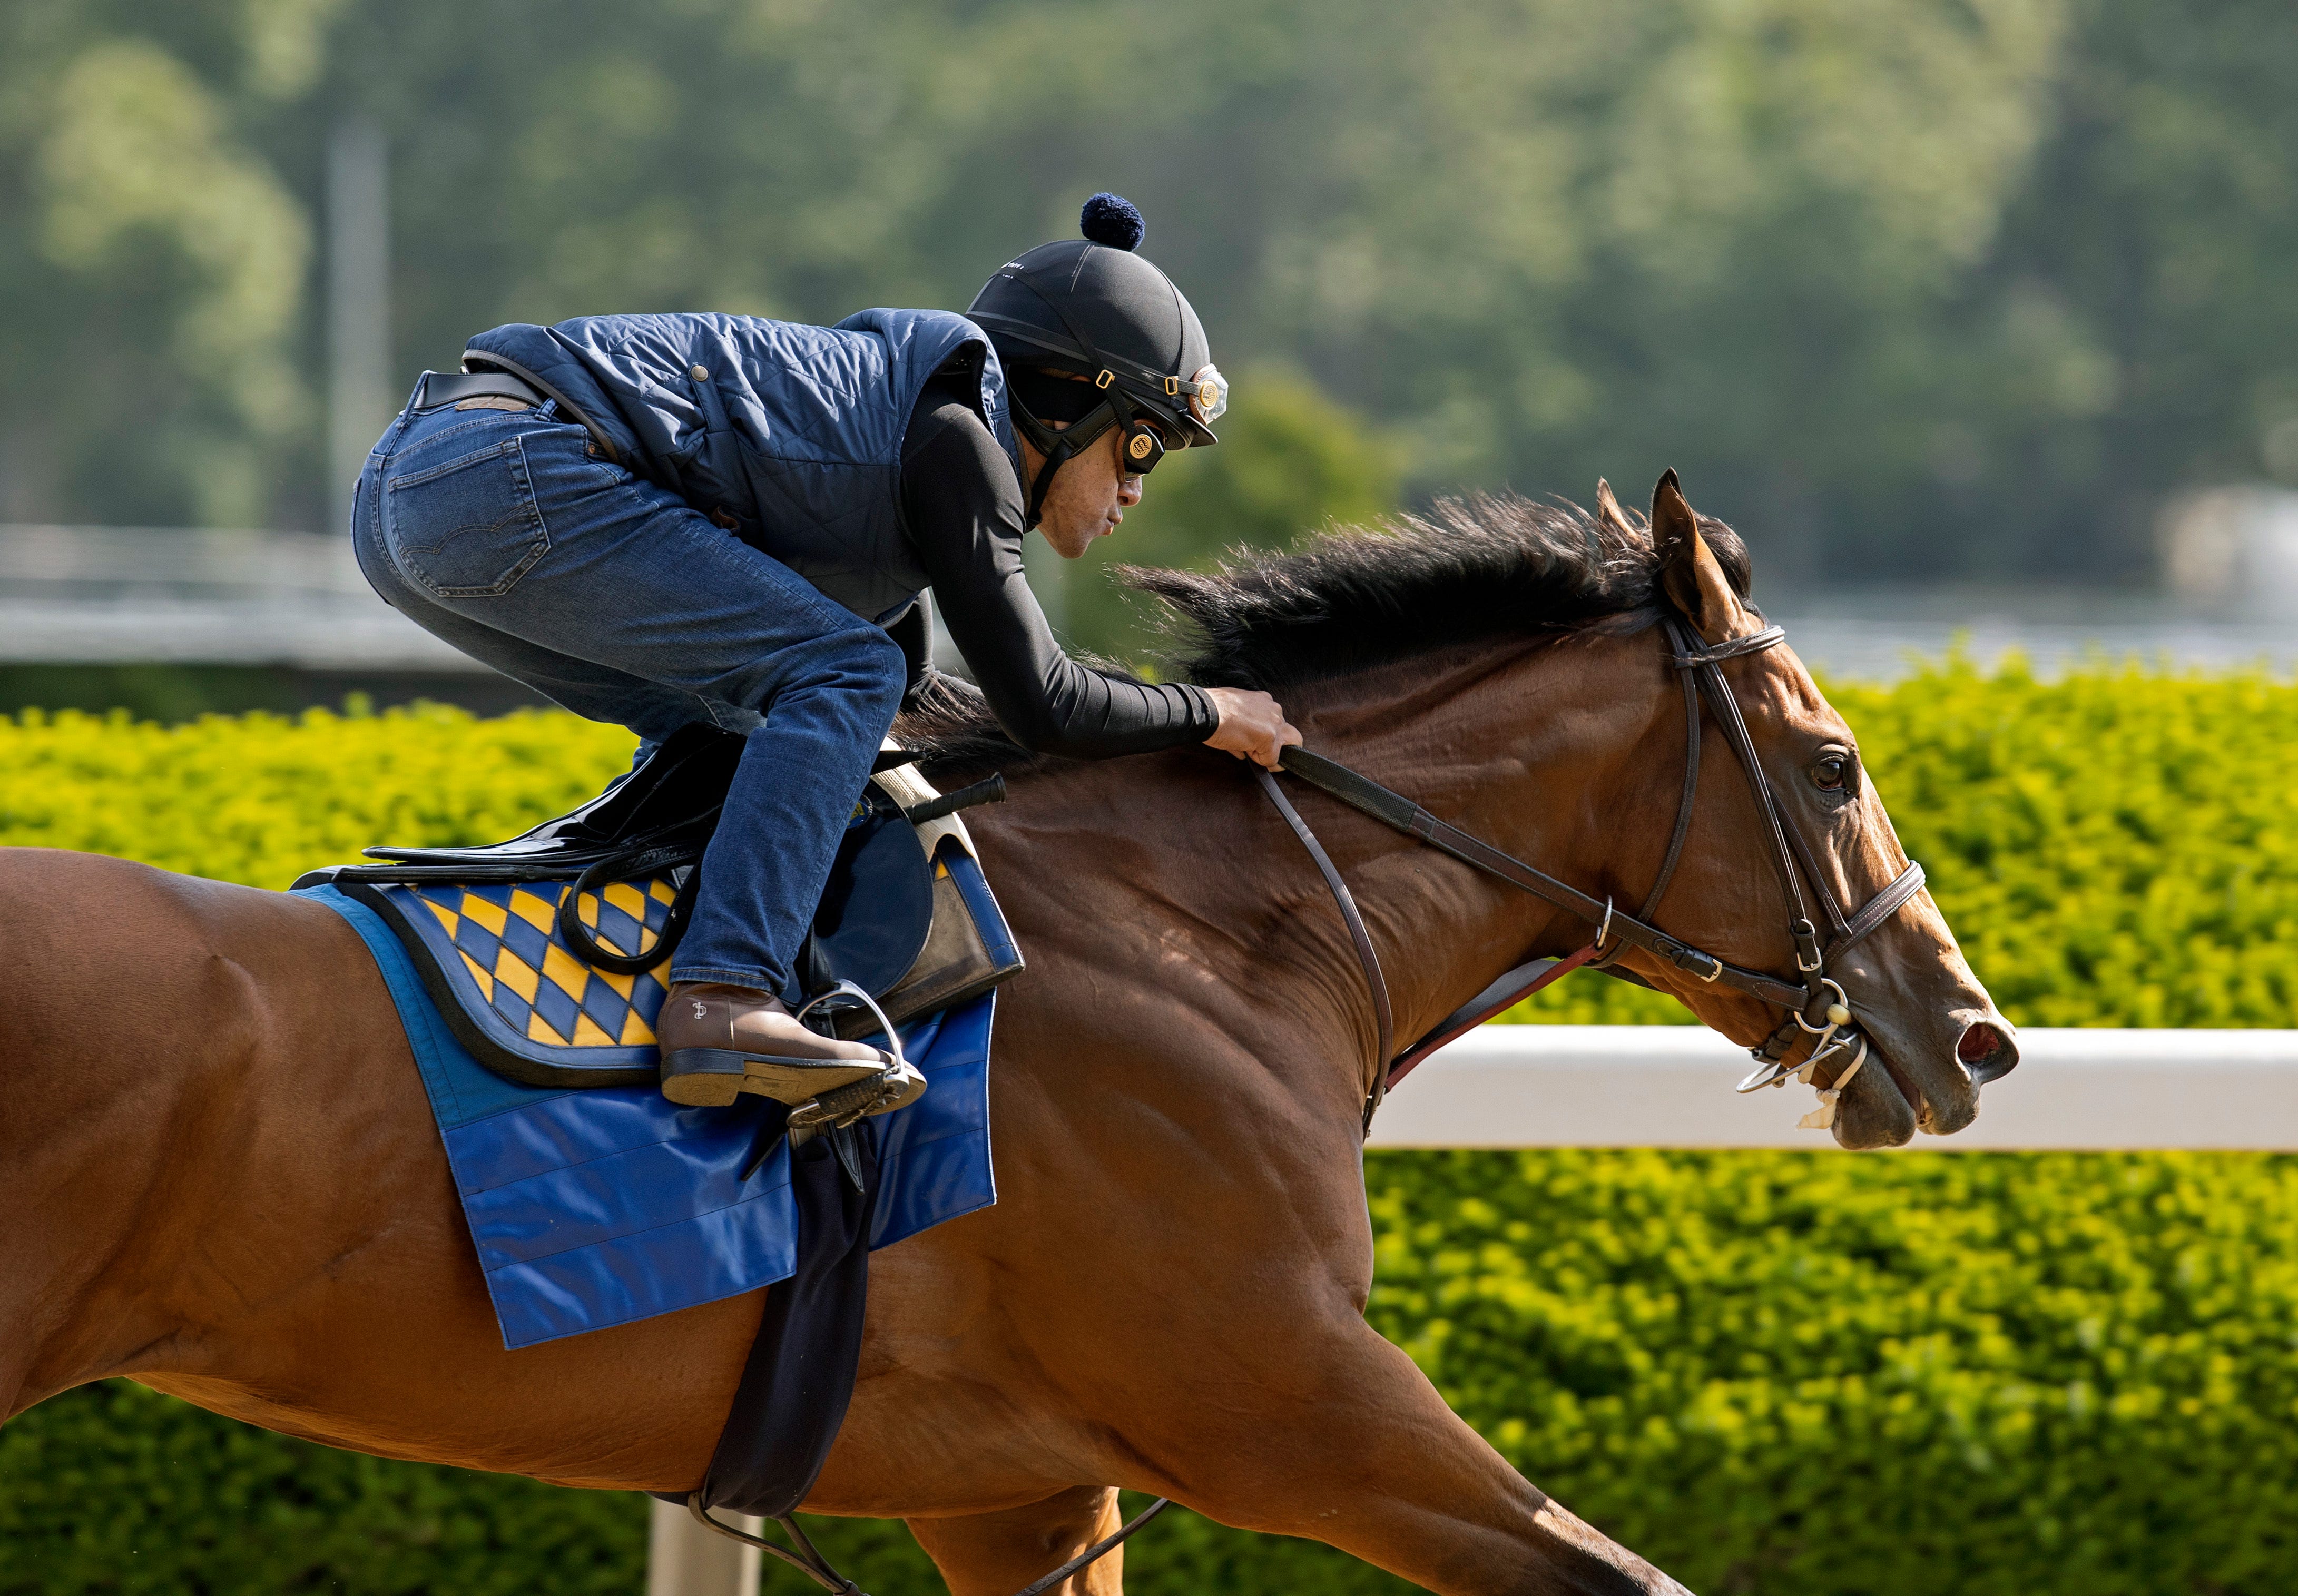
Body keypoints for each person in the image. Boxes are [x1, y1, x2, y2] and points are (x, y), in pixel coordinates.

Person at [351, 193, 1300, 1120]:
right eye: (1141, 450)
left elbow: (919, 708)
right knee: (846, 675)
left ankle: (642, 963)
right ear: (1067, 409)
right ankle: (725, 995)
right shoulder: (957, 445)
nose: (1135, 491)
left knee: (752, 720)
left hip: (409, 499)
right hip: (503, 473)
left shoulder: (909, 438)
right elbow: (1042, 702)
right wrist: (1212, 710)